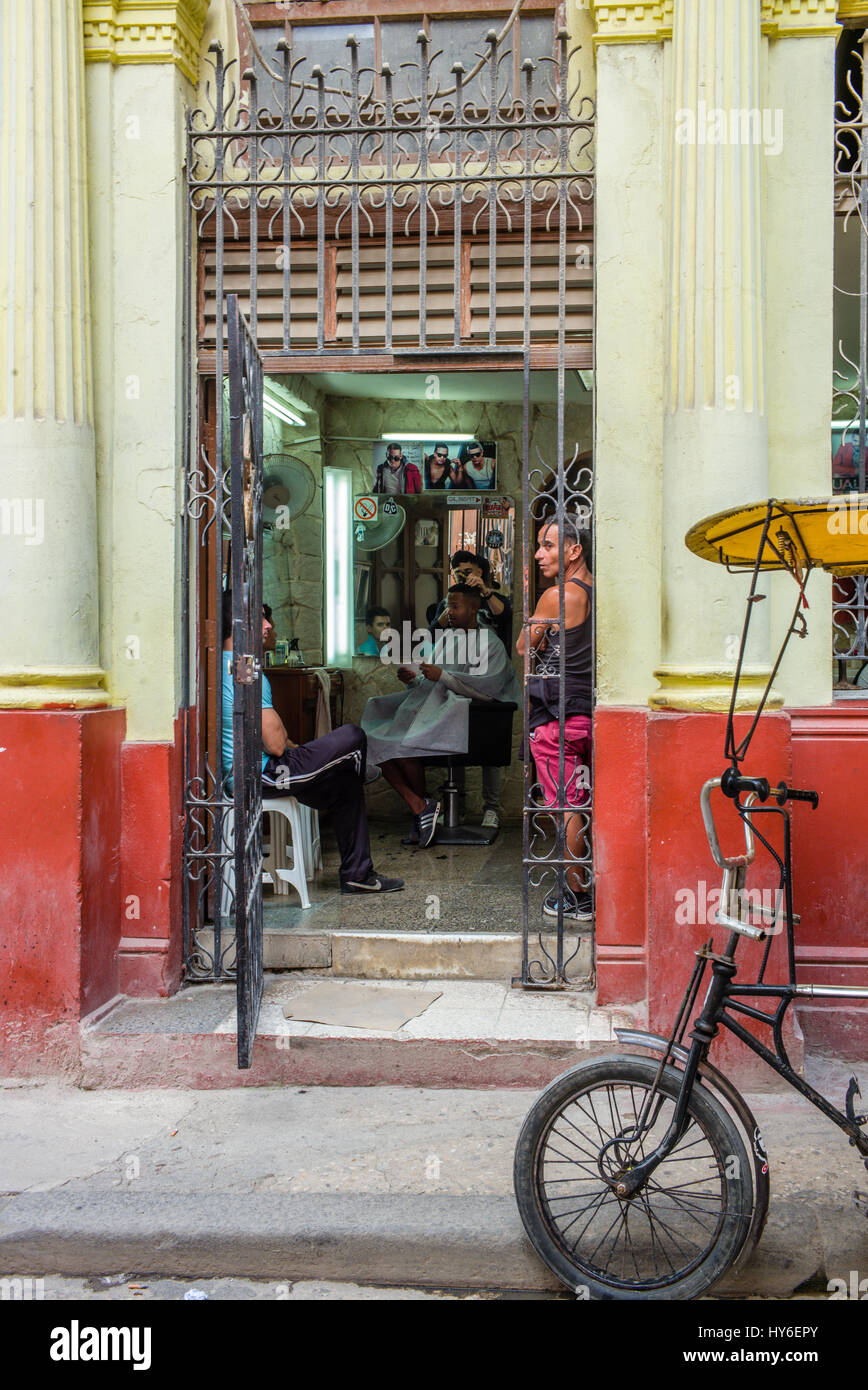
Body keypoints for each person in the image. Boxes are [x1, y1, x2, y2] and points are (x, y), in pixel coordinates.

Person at [222, 592, 403, 895]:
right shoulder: (246, 668)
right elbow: (276, 745)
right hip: (264, 775)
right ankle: (356, 768)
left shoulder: (230, 664)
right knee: (353, 735)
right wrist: (288, 744)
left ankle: (357, 875)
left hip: (259, 772)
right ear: (238, 624)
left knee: (346, 785)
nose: (268, 626)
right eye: (261, 618)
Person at [362, 584, 522, 846]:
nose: (449, 611)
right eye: (448, 605)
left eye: (455, 605)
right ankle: (421, 806)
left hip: (469, 719)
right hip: (432, 708)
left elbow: (488, 690)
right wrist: (412, 681)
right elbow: (431, 679)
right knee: (374, 740)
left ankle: (422, 811)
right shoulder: (448, 637)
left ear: (474, 608)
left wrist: (443, 676)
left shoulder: (490, 644)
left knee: (405, 746)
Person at [517, 518, 593, 922]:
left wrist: (538, 631)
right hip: (586, 715)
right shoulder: (596, 591)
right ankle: (584, 881)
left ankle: (576, 892)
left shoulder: (557, 596)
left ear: (573, 550)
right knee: (582, 801)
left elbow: (522, 646)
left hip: (554, 721)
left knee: (566, 806)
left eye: (547, 546)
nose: (538, 554)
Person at [427, 551, 513, 829]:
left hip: (489, 680)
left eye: (467, 571)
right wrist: (453, 604)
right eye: (458, 571)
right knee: (455, 744)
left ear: (481, 571)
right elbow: (434, 632)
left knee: (490, 746)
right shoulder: (449, 605)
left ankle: (492, 806)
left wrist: (484, 592)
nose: (463, 575)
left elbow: (506, 618)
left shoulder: (493, 601)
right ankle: (456, 805)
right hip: (455, 689)